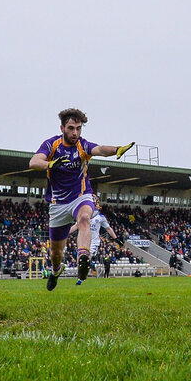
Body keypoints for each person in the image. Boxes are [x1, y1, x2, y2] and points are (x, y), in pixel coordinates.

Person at [28, 107, 134, 291]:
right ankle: (55, 270)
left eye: (78, 128)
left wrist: (117, 149)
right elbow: (34, 162)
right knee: (55, 253)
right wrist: (51, 164)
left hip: (81, 196)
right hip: (58, 204)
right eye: (71, 128)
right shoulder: (51, 145)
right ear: (62, 128)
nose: (75, 132)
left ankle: (83, 258)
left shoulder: (83, 146)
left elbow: (100, 149)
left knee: (85, 218)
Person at [68, 207, 116, 286]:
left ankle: (80, 279)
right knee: (79, 259)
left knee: (86, 258)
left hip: (94, 242)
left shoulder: (101, 217)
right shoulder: (83, 215)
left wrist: (116, 238)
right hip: (83, 240)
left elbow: (108, 228)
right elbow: (75, 226)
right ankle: (81, 276)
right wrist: (64, 234)